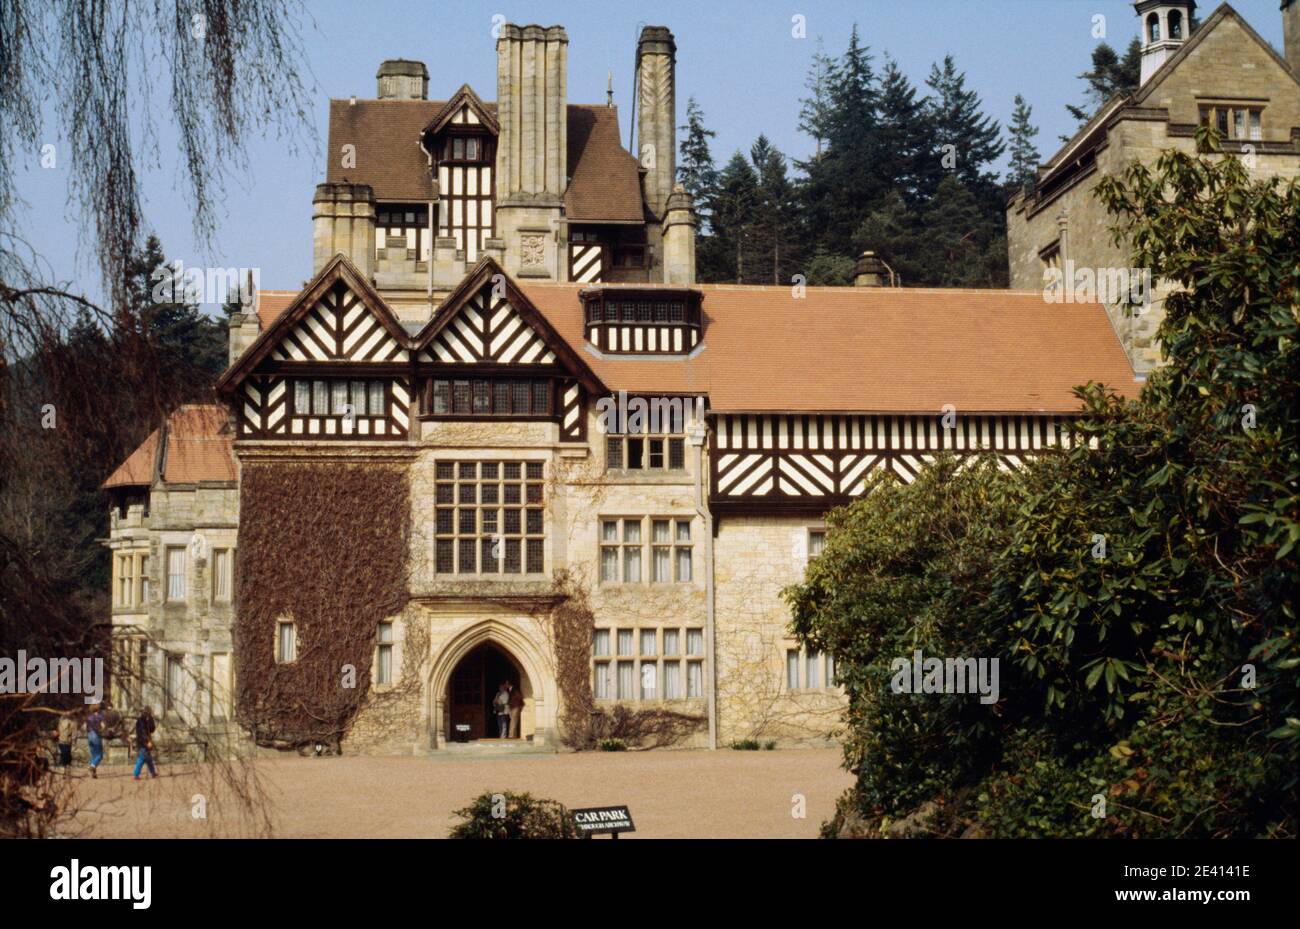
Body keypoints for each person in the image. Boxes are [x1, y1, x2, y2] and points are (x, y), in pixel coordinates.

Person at [133, 706, 158, 780]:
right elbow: (143, 733)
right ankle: (136, 774)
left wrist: (151, 719)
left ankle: (153, 773)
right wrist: (147, 742)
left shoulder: (146, 720)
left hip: (146, 741)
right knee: (142, 758)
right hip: (142, 742)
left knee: (149, 759)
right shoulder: (140, 721)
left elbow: (152, 729)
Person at [85, 703, 105, 778]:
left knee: (94, 756)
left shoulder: (88, 717)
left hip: (89, 735)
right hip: (96, 735)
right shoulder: (100, 717)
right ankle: (92, 766)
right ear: (98, 709)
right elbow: (103, 726)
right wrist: (101, 730)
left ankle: (93, 773)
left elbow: (85, 727)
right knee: (99, 755)